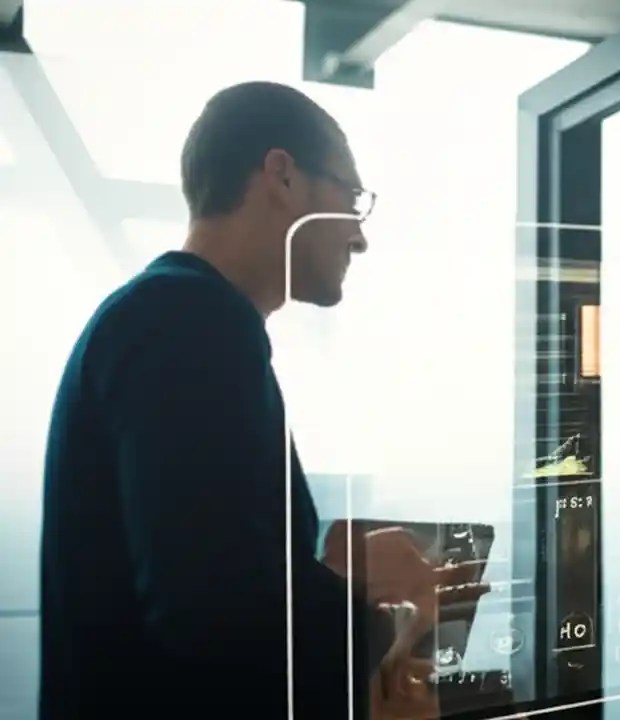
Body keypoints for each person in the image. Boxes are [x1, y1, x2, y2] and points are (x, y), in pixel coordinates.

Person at [39, 81, 467, 720]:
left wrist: (322, 580)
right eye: (351, 198)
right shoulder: (186, 321)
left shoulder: (164, 318)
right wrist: (368, 614)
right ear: (282, 176)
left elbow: (203, 576)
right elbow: (215, 619)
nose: (359, 237)